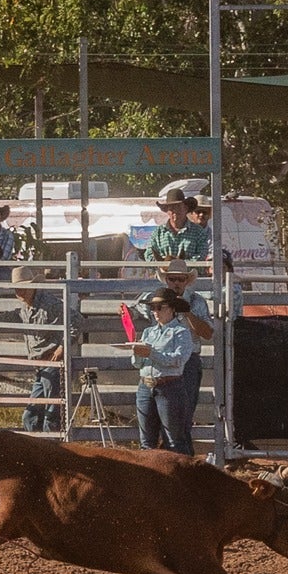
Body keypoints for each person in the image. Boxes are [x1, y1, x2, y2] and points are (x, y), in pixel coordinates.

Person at [132, 258, 212, 424]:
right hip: (159, 364)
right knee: (159, 420)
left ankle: (177, 447)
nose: (176, 283)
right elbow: (135, 308)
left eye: (180, 279)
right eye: (172, 279)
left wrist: (187, 313)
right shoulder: (155, 298)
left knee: (183, 417)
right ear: (166, 280)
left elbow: (208, 333)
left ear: (186, 281)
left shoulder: (196, 301)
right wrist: (127, 312)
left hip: (186, 361)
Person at [128, 286, 196, 456]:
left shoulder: (181, 332)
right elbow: (138, 364)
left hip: (169, 387)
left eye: (160, 307)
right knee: (146, 442)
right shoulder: (148, 332)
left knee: (173, 440)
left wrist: (150, 352)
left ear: (172, 309)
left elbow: (178, 360)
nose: (155, 312)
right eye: (153, 308)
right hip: (146, 385)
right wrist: (137, 353)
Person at [13, 265, 64, 433]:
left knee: (51, 413)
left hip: (51, 364)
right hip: (42, 365)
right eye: (17, 289)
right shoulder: (25, 308)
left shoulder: (50, 303)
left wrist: (62, 347)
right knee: (32, 415)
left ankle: (50, 449)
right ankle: (38, 448)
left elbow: (75, 320)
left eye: (22, 288)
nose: (19, 292)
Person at [146, 187, 210, 264]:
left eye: (178, 207)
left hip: (189, 275)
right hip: (163, 275)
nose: (175, 211)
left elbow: (201, 256)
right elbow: (149, 255)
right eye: (172, 208)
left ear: (186, 208)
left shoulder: (199, 232)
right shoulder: (157, 233)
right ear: (167, 211)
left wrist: (179, 266)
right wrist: (164, 266)